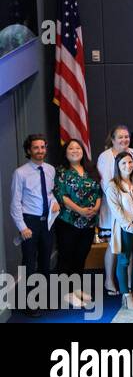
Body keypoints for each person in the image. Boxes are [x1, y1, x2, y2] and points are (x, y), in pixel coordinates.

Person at [11, 135, 58, 316]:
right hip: (29, 222)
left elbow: (48, 192)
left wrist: (54, 201)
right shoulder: (20, 173)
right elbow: (15, 203)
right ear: (29, 150)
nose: (40, 151)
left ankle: (44, 299)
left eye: (42, 147)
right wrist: (22, 227)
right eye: (36, 148)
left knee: (46, 262)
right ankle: (29, 303)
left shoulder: (50, 170)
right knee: (29, 263)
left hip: (47, 221)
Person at [52, 139, 101, 308]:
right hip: (68, 221)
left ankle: (77, 288)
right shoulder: (61, 172)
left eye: (78, 148)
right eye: (71, 148)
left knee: (81, 255)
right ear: (66, 153)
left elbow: (98, 191)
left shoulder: (90, 169)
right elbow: (62, 196)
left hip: (88, 222)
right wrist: (80, 210)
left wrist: (96, 208)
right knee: (67, 256)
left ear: (83, 151)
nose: (75, 151)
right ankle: (67, 293)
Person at [105, 150, 133, 310]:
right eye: (124, 163)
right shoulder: (113, 185)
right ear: (118, 165)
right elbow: (116, 210)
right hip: (125, 228)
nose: (128, 165)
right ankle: (126, 295)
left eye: (130, 162)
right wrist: (130, 226)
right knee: (124, 261)